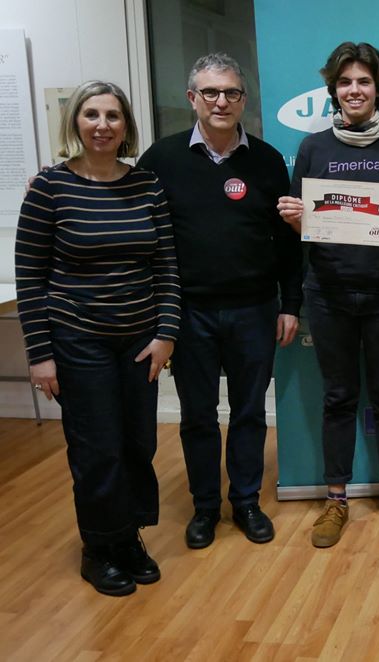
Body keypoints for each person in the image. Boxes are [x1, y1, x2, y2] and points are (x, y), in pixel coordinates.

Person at [16, 81, 180, 596]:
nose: (102, 124)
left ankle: (128, 537)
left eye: (113, 115)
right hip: (77, 341)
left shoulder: (146, 185)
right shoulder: (50, 188)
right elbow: (30, 275)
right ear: (76, 124)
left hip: (139, 341)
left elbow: (167, 266)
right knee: (96, 448)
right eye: (91, 114)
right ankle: (98, 548)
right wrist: (41, 354)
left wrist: (166, 334)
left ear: (126, 125)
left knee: (137, 443)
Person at [138, 53, 302, 549]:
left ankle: (246, 503)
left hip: (255, 308)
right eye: (210, 92)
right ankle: (206, 507)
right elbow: (131, 217)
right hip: (188, 312)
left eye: (231, 92)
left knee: (250, 411)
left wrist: (289, 302)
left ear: (244, 101)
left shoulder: (268, 161)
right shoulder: (162, 159)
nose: (221, 101)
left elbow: (289, 240)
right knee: (198, 416)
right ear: (192, 99)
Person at [276, 42, 379, 548]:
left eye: (363, 81)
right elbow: (304, 229)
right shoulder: (313, 148)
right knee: (338, 398)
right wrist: (296, 222)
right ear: (333, 90)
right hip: (329, 291)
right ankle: (335, 499)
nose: (354, 90)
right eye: (345, 82)